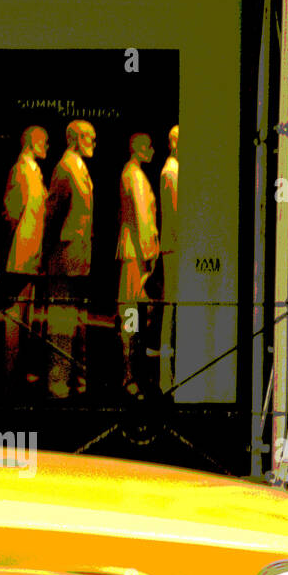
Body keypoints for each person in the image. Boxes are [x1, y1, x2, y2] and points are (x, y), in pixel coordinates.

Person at [41, 120, 95, 399]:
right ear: (74, 138)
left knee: (76, 321)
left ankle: (76, 380)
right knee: (61, 322)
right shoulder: (64, 169)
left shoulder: (80, 168)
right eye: (88, 137)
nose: (93, 143)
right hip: (63, 255)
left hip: (77, 256)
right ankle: (58, 381)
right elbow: (53, 214)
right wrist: (45, 252)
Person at [3, 125, 48, 391]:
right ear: (32, 143)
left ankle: (18, 373)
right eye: (44, 142)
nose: (47, 146)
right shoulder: (20, 170)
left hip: (30, 256)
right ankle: (10, 376)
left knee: (25, 318)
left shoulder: (33, 171)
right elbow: (11, 212)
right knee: (15, 317)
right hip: (20, 256)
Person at [116, 131, 159, 396]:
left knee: (132, 314)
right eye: (150, 146)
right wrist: (149, 255)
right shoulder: (134, 176)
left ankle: (132, 373)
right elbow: (143, 217)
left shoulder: (133, 174)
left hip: (135, 253)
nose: (153, 150)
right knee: (130, 314)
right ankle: (129, 376)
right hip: (137, 255)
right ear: (140, 149)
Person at [155, 124, 179, 390]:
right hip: (174, 247)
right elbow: (174, 214)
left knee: (171, 310)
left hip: (174, 246)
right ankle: (165, 376)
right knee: (170, 310)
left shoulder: (173, 170)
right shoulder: (171, 172)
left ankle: (167, 374)